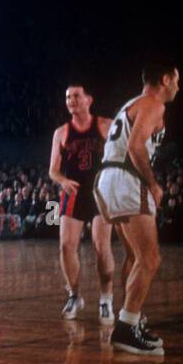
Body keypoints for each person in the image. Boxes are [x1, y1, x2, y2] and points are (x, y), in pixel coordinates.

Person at [92, 60, 180, 355]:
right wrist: (153, 184)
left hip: (107, 179)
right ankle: (127, 329)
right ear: (165, 79)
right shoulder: (154, 103)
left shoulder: (131, 102)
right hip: (125, 178)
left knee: (134, 256)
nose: (179, 87)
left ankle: (131, 317)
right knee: (151, 258)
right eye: (177, 80)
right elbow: (135, 146)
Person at [48, 83, 115, 322]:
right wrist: (63, 180)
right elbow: (53, 171)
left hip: (101, 191)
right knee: (66, 246)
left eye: (76, 96)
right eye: (67, 97)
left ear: (89, 99)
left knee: (101, 246)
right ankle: (74, 295)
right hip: (73, 190)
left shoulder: (105, 125)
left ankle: (106, 297)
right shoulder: (61, 132)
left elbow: (122, 156)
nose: (71, 100)